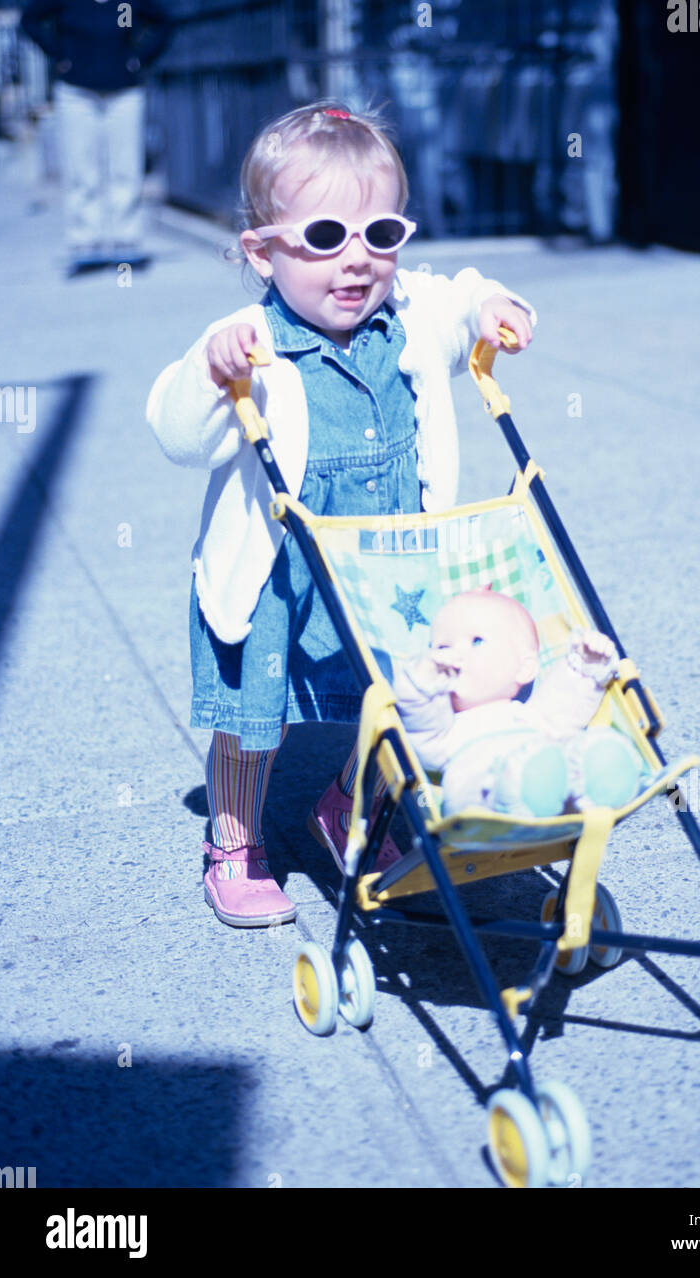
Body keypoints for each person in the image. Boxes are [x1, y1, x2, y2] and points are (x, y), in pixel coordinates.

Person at [146, 102, 535, 929]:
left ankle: (352, 807)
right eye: (324, 238)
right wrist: (212, 374)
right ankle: (235, 842)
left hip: (386, 563)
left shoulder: (409, 313)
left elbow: (460, 296)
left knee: (408, 694)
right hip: (275, 571)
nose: (355, 261)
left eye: (381, 234)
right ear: (262, 252)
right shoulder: (247, 336)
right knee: (252, 718)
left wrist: (495, 307)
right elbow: (174, 435)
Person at [393, 587, 642, 818]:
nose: (455, 654)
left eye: (477, 641)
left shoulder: (529, 714)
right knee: (522, 771)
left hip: (544, 773)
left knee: (567, 754)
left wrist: (589, 664)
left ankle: (602, 774)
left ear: (525, 668)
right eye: (442, 647)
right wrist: (423, 682)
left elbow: (565, 703)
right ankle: (530, 783)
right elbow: (419, 722)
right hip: (480, 802)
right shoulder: (445, 729)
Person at [20, 0, 171, 273]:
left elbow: (163, 23)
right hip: (76, 92)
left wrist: (139, 58)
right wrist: (60, 56)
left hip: (124, 91)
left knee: (124, 168)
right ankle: (85, 243)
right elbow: (30, 20)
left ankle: (125, 241)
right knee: (82, 169)